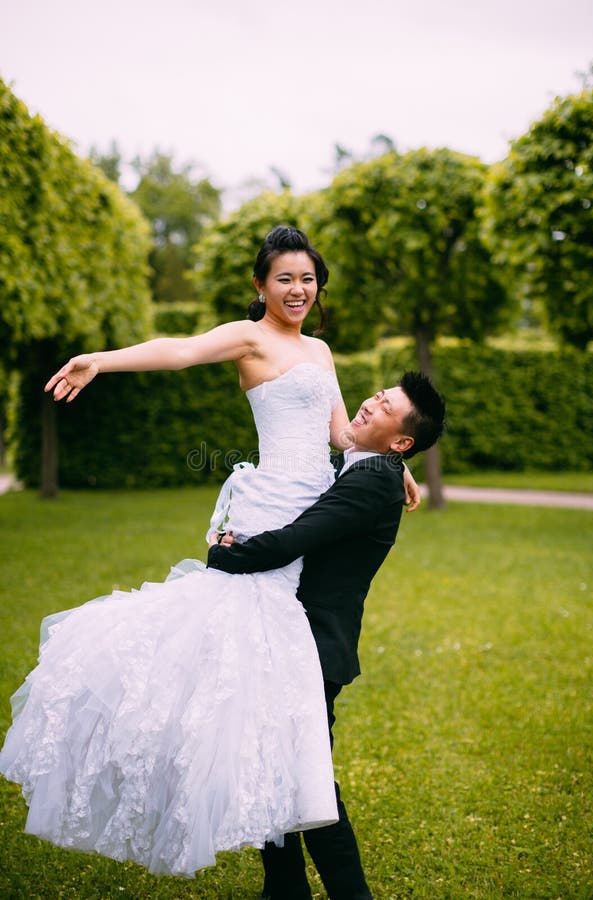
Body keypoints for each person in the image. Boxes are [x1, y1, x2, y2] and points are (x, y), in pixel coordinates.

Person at [0, 226, 419, 878]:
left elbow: (341, 433)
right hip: (274, 512)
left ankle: (280, 838)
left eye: (307, 278)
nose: (298, 289)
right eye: (284, 278)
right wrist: (101, 361)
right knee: (229, 648)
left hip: (313, 515)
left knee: (262, 669)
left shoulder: (323, 349)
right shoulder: (251, 338)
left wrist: (395, 466)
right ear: (261, 285)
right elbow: (179, 349)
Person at [207, 371, 446, 900]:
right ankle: (285, 889)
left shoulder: (372, 480)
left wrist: (224, 553)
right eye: (379, 395)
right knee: (274, 766)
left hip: (314, 644)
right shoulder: (370, 468)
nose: (368, 404)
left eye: (385, 407)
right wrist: (396, 464)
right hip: (293, 635)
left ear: (402, 440)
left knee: (305, 780)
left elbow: (296, 539)